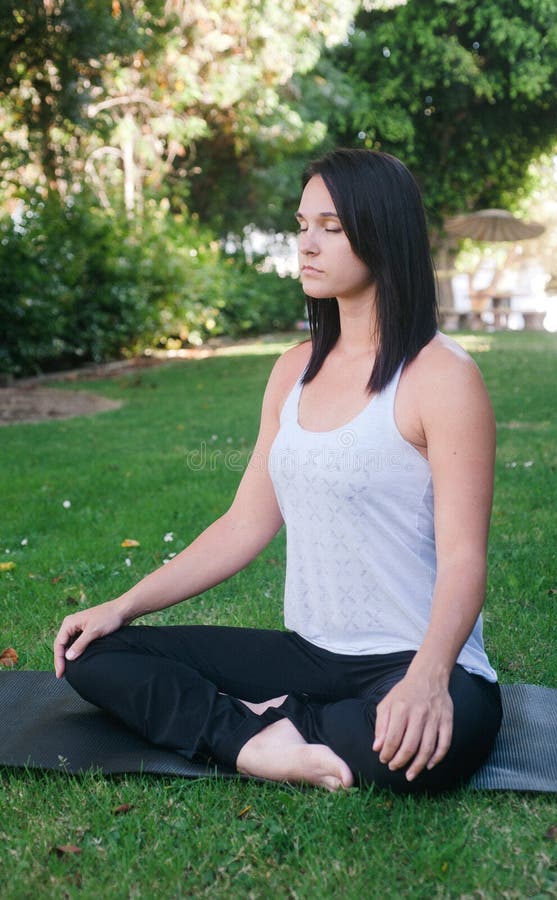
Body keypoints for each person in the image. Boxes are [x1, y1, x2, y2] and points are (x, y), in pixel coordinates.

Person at [54, 148, 502, 794]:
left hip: (413, 655)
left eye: (331, 227)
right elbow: (245, 524)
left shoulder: (443, 377)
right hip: (309, 657)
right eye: (301, 225)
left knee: (430, 742)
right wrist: (121, 606)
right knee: (92, 653)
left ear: (382, 233)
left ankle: (264, 725)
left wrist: (428, 679)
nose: (306, 245)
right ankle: (261, 741)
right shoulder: (293, 370)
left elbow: (463, 559)